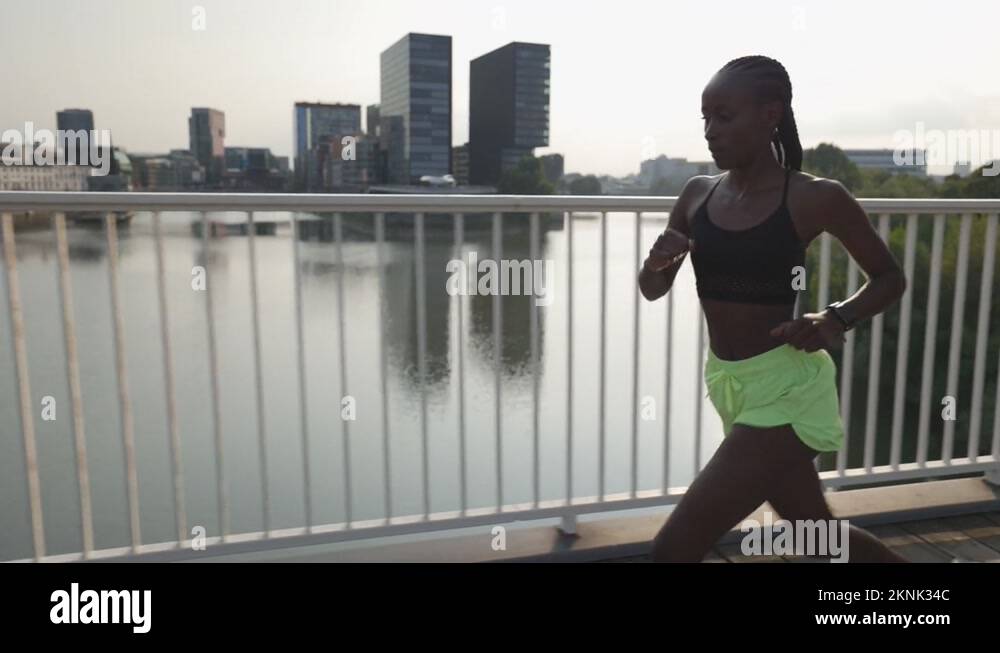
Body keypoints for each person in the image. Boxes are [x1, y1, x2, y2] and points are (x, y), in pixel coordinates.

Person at [638, 55, 908, 563]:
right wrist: (657, 264)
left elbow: (890, 278)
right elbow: (652, 289)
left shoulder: (814, 197)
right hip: (730, 382)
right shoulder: (697, 195)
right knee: (817, 535)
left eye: (724, 116)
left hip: (788, 389)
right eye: (705, 119)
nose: (710, 132)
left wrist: (835, 317)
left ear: (769, 115)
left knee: (674, 548)